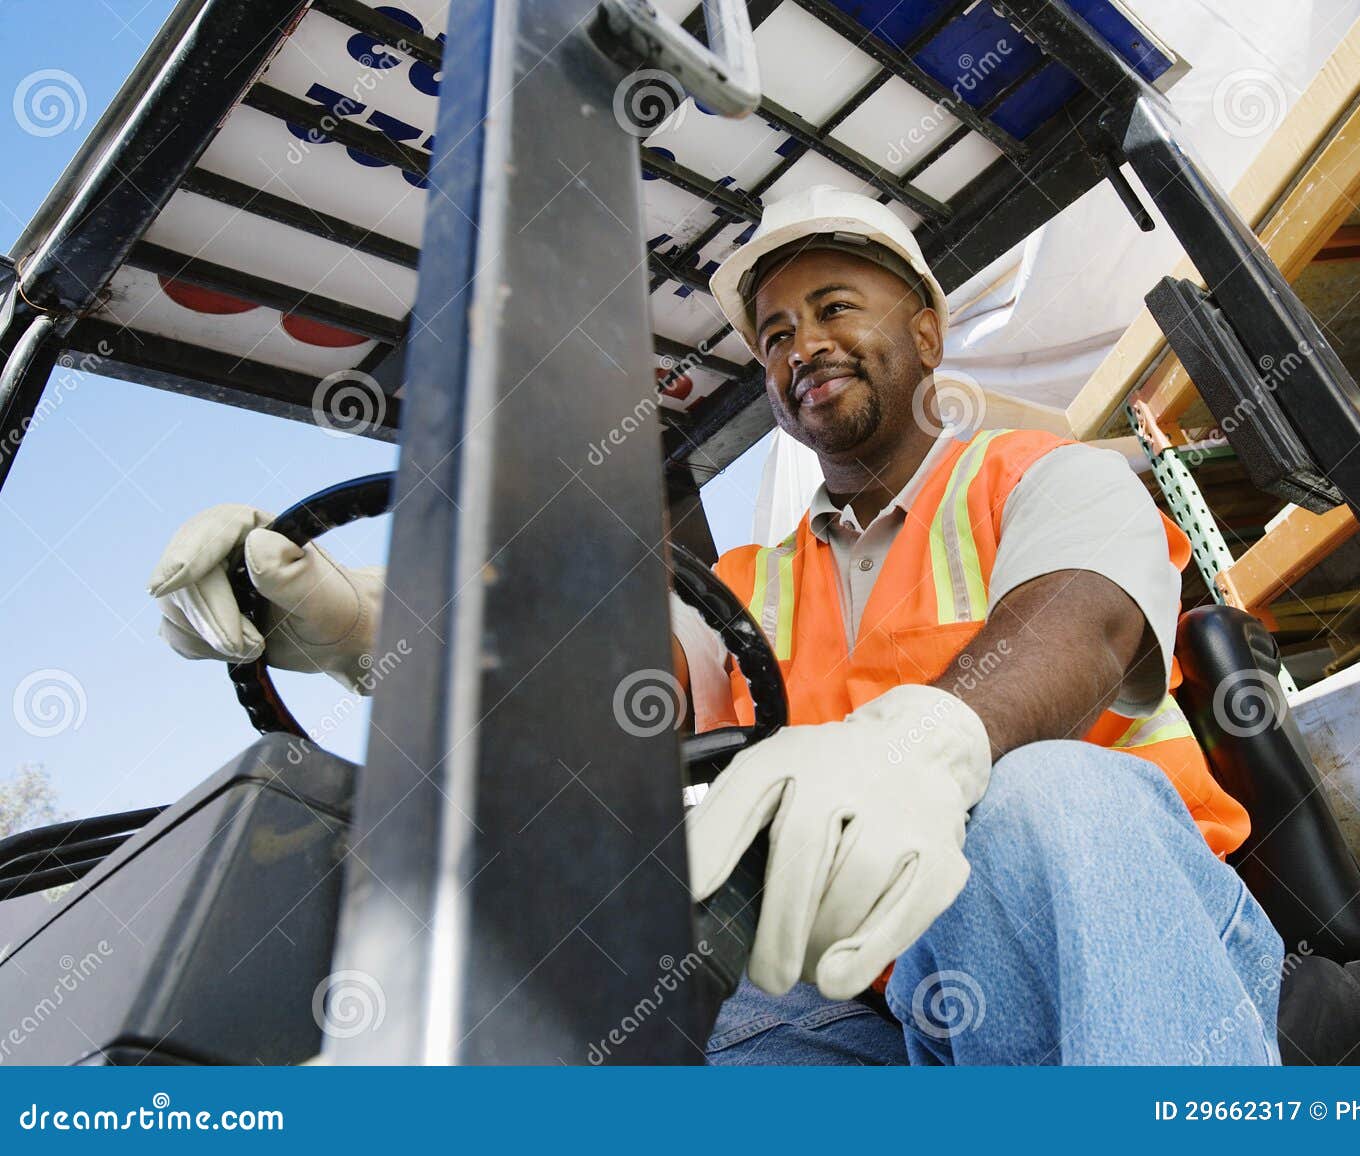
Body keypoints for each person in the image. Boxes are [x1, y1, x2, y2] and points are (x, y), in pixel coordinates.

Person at [147, 185, 1281, 1065]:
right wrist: (353, 622)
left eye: (835, 309)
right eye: (777, 335)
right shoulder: (740, 584)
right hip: (866, 992)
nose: (802, 348)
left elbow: (1079, 623)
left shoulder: (1045, 475)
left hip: (1117, 936)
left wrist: (924, 744)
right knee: (676, 1012)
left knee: (1045, 795)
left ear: (928, 336)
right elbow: (571, 685)